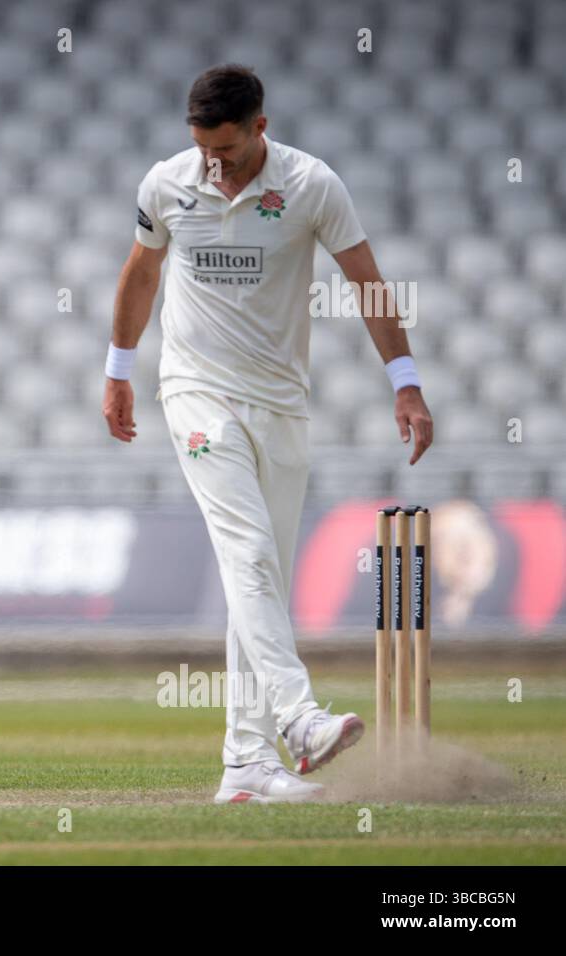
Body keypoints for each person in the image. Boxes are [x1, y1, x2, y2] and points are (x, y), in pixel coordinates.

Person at [102, 65, 433, 803]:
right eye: (203, 149)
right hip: (195, 392)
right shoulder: (168, 184)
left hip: (282, 404)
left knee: (261, 581)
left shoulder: (312, 185)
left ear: (261, 126)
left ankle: (246, 766)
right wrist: (118, 370)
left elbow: (368, 281)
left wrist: (405, 382)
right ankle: (299, 719)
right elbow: (141, 273)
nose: (214, 165)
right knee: (247, 551)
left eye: (229, 148)